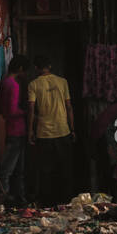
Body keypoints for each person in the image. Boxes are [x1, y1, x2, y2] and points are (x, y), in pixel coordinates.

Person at [27, 56, 75, 206]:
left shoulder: (33, 85)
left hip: (44, 133)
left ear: (36, 68)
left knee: (45, 170)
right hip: (63, 130)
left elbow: (31, 109)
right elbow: (69, 107)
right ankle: (66, 200)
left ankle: (47, 203)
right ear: (50, 66)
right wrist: (72, 128)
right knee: (64, 168)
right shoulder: (62, 82)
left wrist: (30, 131)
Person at [0, 54, 31, 209]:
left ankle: (18, 199)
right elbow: (11, 110)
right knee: (10, 170)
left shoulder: (4, 82)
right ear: (21, 69)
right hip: (16, 130)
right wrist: (25, 112)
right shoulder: (14, 85)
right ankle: (4, 200)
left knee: (17, 169)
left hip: (13, 130)